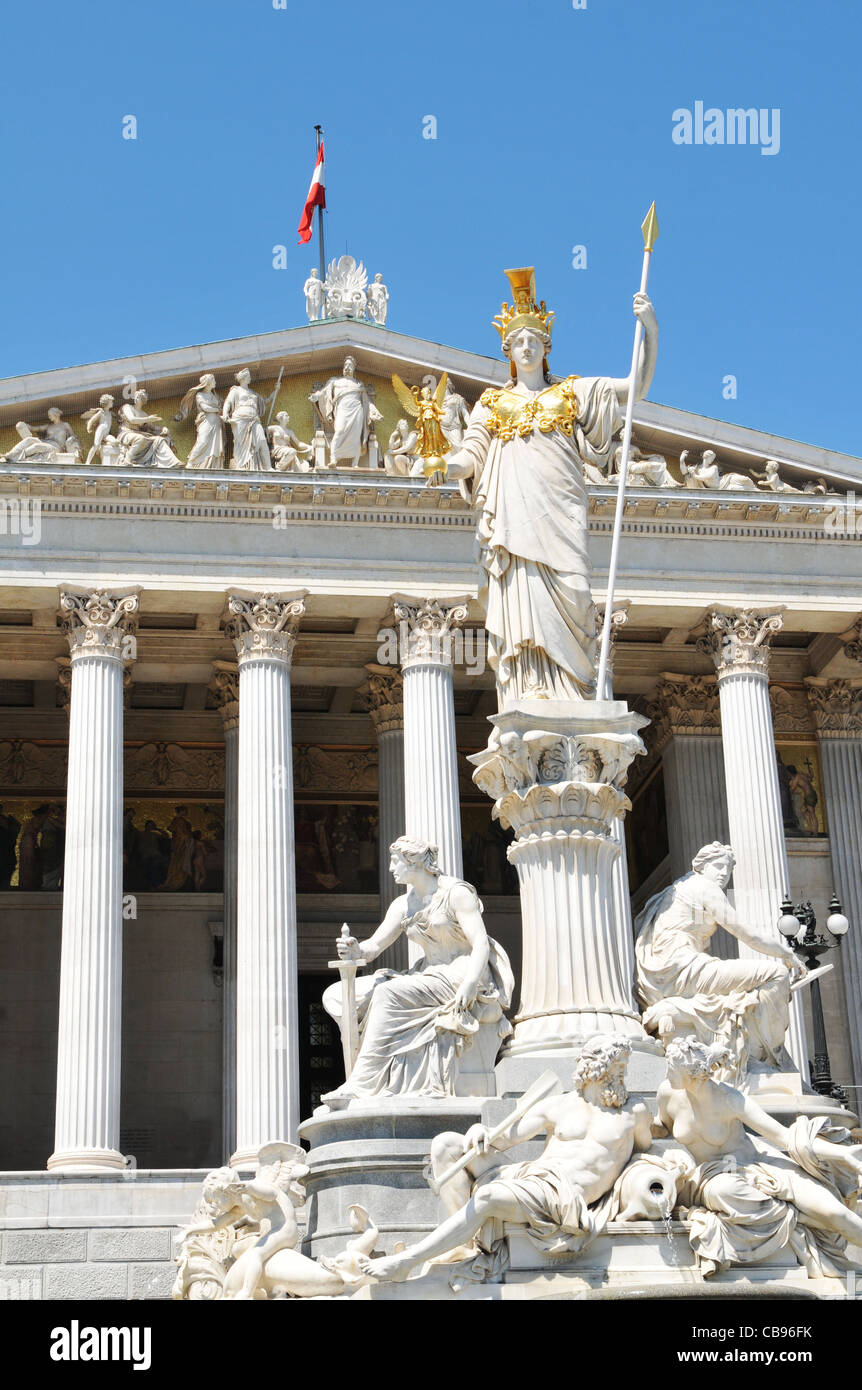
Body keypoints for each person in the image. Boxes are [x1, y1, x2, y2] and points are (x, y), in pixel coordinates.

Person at [431, 268, 657, 705]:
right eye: (519, 341)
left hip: (561, 517)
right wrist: (444, 463)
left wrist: (649, 329)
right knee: (523, 601)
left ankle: (576, 692)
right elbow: (471, 455)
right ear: (509, 351)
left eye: (534, 338)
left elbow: (635, 388)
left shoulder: (572, 394)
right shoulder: (492, 405)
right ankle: (530, 688)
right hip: (515, 524)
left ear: (546, 346)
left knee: (575, 592)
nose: (527, 345)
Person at [362, 1037, 653, 1282]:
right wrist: (481, 1130)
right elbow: (506, 1137)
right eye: (617, 1068)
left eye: (623, 1069)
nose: (622, 1075)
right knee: (446, 1145)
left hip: (562, 1197)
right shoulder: (559, 1105)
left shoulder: (634, 1112)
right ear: (592, 1069)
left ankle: (407, 1261)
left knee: (488, 1196)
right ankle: (465, 1244)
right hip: (533, 1177)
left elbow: (646, 1155)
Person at [321, 836, 513, 1102]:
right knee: (336, 994)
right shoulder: (403, 905)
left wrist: (470, 983)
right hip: (428, 973)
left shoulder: (456, 893)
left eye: (395, 861)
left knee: (388, 994)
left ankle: (362, 1083)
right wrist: (355, 950)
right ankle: (379, 1076)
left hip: (461, 973)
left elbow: (480, 942)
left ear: (414, 862)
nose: (390, 868)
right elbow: (375, 945)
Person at [656, 1038, 862, 1278]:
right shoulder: (667, 1093)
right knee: (723, 1191)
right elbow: (660, 1127)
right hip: (714, 1175)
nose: (667, 1071)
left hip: (761, 1164)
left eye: (672, 1067)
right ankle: (800, 1220)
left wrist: (844, 1154)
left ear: (692, 1075)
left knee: (837, 1214)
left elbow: (785, 1138)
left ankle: (814, 1223)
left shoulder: (730, 1099)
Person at [634, 842, 805, 1078]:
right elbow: (745, 932)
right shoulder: (704, 887)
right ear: (701, 866)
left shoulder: (675, 890)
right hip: (684, 970)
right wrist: (785, 954)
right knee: (776, 974)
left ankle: (753, 1050)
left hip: (663, 977)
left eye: (728, 868)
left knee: (745, 986)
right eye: (718, 866)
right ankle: (764, 1056)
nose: (724, 873)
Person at [308, 356, 378, 468]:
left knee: (356, 436)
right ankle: (333, 459)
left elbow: (367, 401)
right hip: (342, 409)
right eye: (345, 365)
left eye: (350, 366)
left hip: (357, 410)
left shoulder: (359, 384)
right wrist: (316, 396)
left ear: (354, 368)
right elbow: (324, 392)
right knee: (339, 431)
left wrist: (374, 412)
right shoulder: (335, 381)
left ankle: (355, 463)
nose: (347, 368)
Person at [222, 369, 273, 471]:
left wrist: (276, 391)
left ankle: (268, 467)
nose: (250, 378)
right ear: (243, 378)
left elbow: (265, 401)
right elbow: (228, 403)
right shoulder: (235, 390)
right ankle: (240, 465)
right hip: (240, 419)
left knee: (262, 440)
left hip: (254, 419)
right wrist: (225, 414)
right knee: (240, 443)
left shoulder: (253, 393)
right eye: (248, 376)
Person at [176, 374, 224, 470]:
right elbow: (205, 408)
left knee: (216, 445)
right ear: (207, 382)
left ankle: (214, 465)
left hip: (217, 423)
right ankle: (191, 462)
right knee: (203, 441)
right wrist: (218, 409)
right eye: (213, 380)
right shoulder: (200, 395)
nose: (215, 382)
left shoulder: (215, 396)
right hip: (206, 421)